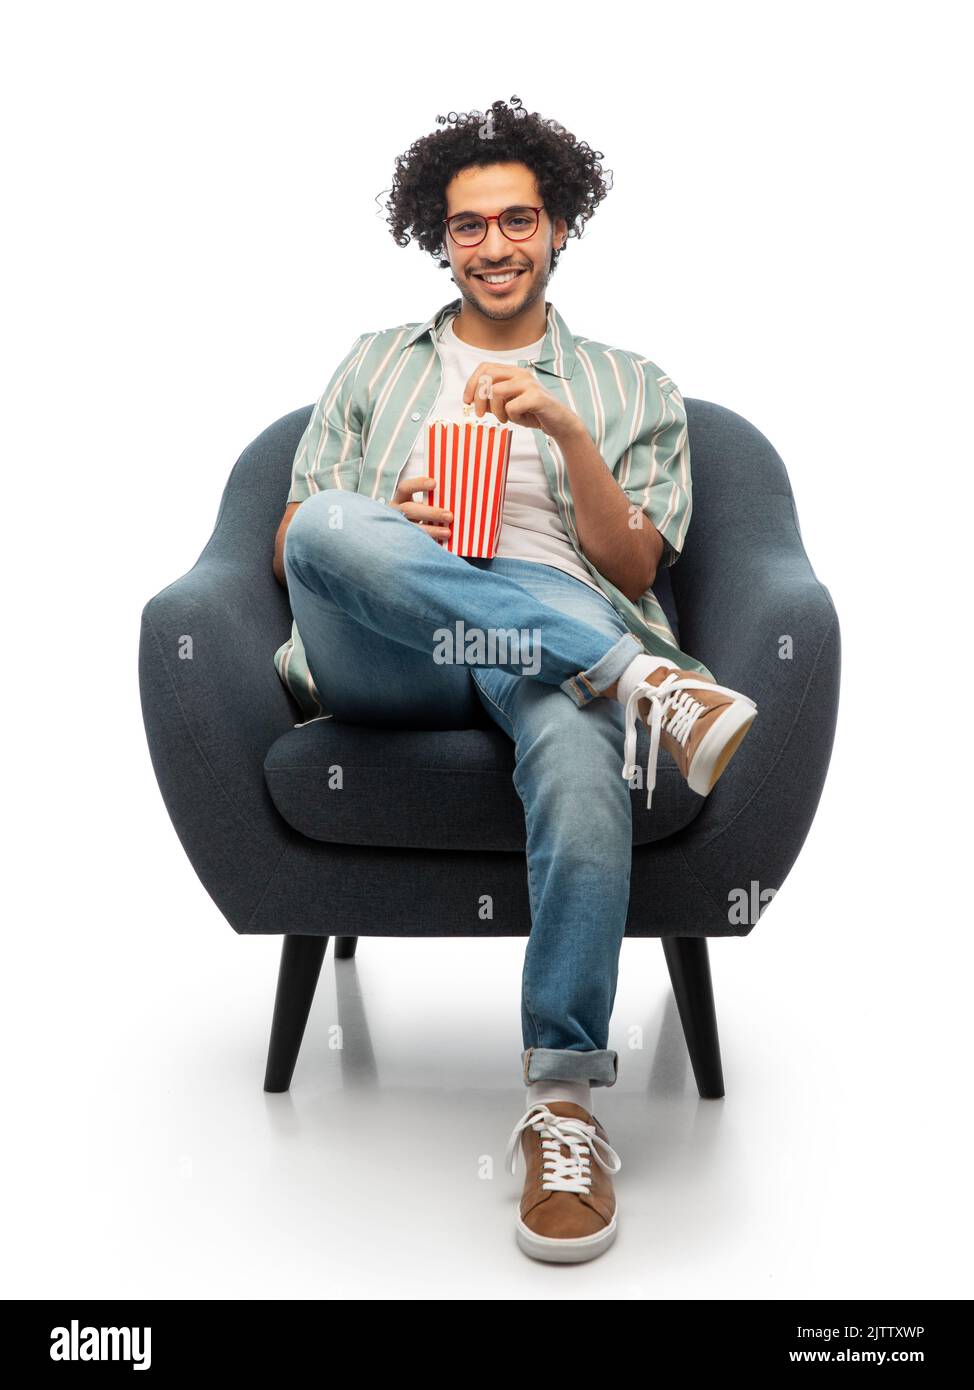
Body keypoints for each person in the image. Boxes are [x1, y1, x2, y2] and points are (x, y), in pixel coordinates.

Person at [271, 97, 757, 1264]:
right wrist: (397, 520)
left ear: (559, 228)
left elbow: (638, 559)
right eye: (468, 226)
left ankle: (562, 1105)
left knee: (578, 746)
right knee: (337, 523)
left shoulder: (629, 383)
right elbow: (298, 532)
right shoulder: (376, 362)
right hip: (393, 650)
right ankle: (635, 681)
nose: (494, 245)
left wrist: (565, 432)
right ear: (437, 239)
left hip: (550, 629)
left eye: (519, 220)